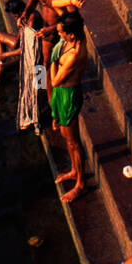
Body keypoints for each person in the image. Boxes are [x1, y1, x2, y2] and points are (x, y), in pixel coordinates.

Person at [50, 13, 88, 202]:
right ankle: (74, 170)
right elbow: (71, 13)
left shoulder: (74, 55)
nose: (59, 34)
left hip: (69, 96)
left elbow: (56, 81)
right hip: (61, 94)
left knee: (73, 141)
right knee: (65, 135)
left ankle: (80, 184)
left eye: (60, 32)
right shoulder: (72, 39)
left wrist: (51, 62)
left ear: (71, 35)